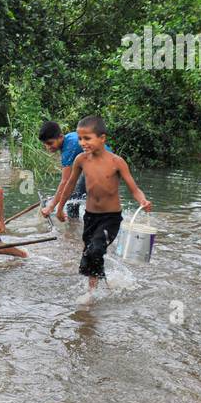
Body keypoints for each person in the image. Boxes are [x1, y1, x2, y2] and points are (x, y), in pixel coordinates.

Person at [49, 116, 151, 299]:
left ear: (102, 138)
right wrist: (59, 208)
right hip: (90, 217)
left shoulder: (116, 162)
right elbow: (69, 185)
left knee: (96, 249)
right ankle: (99, 288)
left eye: (87, 138)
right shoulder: (81, 160)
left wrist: (143, 201)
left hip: (111, 218)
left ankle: (92, 295)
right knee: (89, 253)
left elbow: (134, 189)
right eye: (80, 138)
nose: (82, 143)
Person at [38, 121, 110, 218]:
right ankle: (74, 229)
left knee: (75, 202)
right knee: (73, 201)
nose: (48, 147)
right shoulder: (69, 139)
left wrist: (51, 206)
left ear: (60, 137)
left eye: (50, 143)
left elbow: (65, 181)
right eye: (45, 144)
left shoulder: (69, 148)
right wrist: (57, 199)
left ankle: (75, 228)